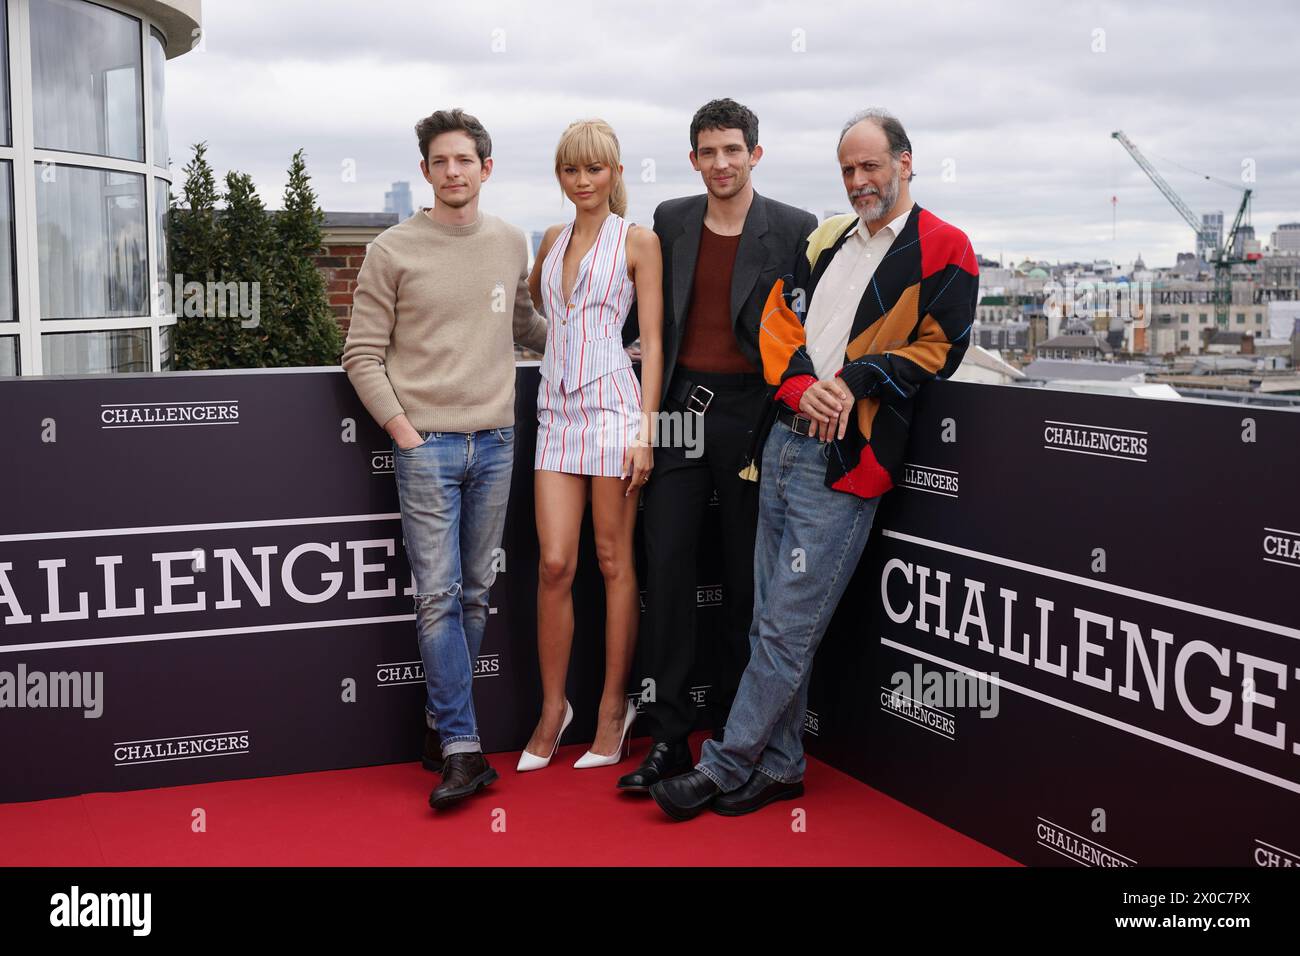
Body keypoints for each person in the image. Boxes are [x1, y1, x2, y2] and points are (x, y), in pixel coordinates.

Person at [649, 108, 978, 820]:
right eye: (849, 170)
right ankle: (782, 765)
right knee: (768, 611)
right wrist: (800, 384)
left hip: (846, 456)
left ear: (906, 163)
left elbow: (940, 348)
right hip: (783, 438)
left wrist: (855, 380)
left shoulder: (945, 247)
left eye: (871, 167)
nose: (860, 181)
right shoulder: (829, 240)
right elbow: (778, 317)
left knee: (786, 625)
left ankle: (723, 765)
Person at [342, 107, 548, 810]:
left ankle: (438, 725)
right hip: (425, 447)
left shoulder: (510, 243)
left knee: (475, 595)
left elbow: (524, 327)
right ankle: (464, 750)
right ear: (426, 172)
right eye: (441, 162)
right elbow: (361, 355)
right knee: (437, 598)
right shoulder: (392, 250)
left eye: (466, 160)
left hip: (496, 442)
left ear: (486, 169)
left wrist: (605, 347)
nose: (453, 172)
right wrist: (405, 432)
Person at [615, 99, 817, 794]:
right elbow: (640, 308)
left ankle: (734, 740)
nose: (721, 163)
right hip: (679, 408)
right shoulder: (670, 219)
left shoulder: (793, 228)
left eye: (733, 149)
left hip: (751, 416)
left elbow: (803, 331)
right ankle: (668, 740)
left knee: (743, 583)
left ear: (754, 153)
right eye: (708, 151)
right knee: (666, 574)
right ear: (694, 157)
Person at [516, 119, 664, 772]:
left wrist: (646, 434)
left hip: (613, 411)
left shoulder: (639, 242)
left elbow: (653, 343)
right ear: (561, 176)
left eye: (595, 169)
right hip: (556, 410)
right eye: (571, 170)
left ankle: (612, 708)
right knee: (554, 564)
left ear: (615, 173)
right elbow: (537, 311)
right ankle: (554, 709)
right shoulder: (548, 240)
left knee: (612, 560)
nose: (583, 181)